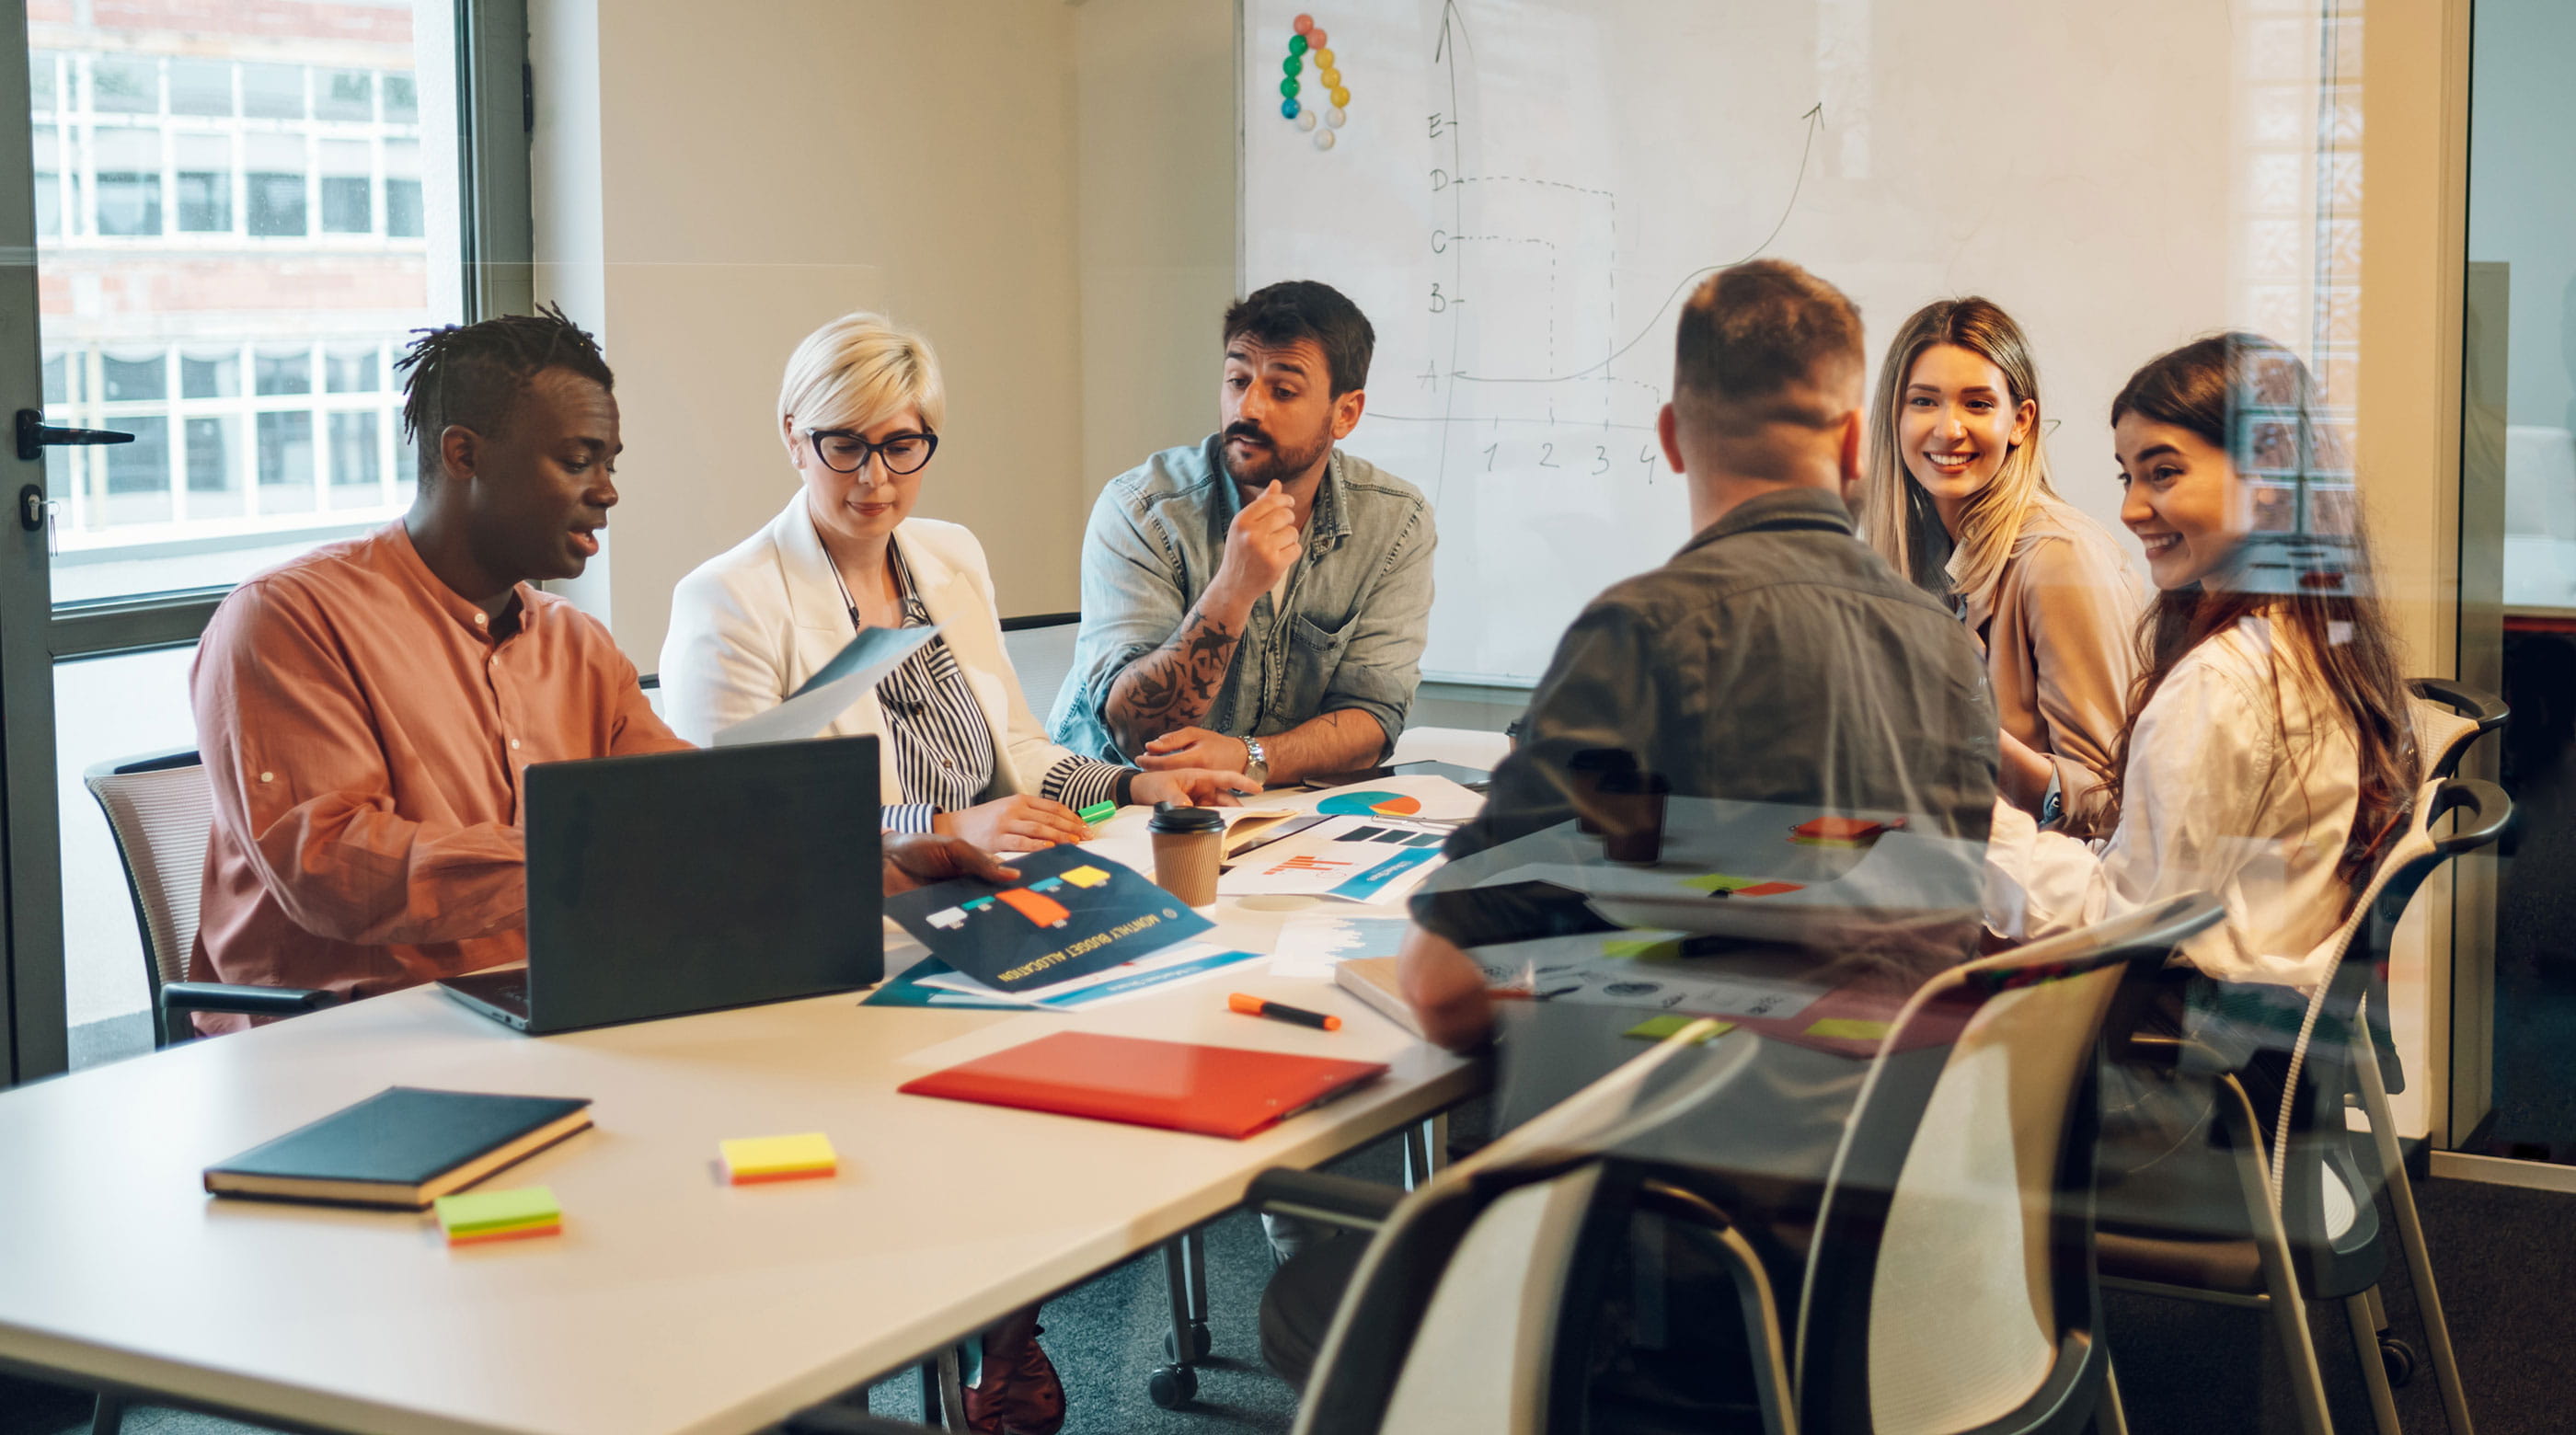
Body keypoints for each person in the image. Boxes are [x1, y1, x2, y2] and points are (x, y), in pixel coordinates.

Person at [1257, 260, 2001, 1394]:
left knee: (1312, 1290)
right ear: (1857, 444)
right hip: (1886, 1245)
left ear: (1668, 435)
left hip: (1670, 1262)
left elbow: (1445, 992)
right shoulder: (1945, 645)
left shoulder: (1645, 635)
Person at [188, 307, 1015, 1035]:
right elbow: (335, 873)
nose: (609, 493)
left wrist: (887, 857)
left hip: (557, 1005)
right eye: (579, 460)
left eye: (611, 462)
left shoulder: (575, 645)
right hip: (344, 1039)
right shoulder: (288, 620)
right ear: (465, 454)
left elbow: (706, 813)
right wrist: (620, 854)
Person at [659, 312, 1253, 849]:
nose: (876, 477)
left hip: (997, 881)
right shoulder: (728, 601)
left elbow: (1018, 752)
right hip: (865, 918)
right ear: (794, 438)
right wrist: (944, 829)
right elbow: (743, 822)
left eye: (900, 445)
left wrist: (1132, 786)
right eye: (845, 445)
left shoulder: (952, 554)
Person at [1982, 332, 2417, 986]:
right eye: (2128, 476)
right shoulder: (2315, 636)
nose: (2130, 510)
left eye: (2164, 473)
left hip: (2179, 1043)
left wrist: (1975, 828)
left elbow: (2128, 922)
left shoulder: (2220, 684)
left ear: (2266, 479)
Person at [1048, 280, 1435, 786]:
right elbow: (1135, 729)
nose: (1248, 408)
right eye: (1237, 380)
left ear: (1346, 413)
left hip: (1277, 810)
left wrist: (1247, 757)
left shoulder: (1394, 521)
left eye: (1283, 390)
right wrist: (1232, 590)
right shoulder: (1141, 509)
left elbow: (1373, 718)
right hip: (1116, 805)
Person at [1859, 297, 2145, 833]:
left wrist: (1973, 734)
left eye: (1977, 404)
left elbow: (2117, 809)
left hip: (2038, 905)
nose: (1948, 429)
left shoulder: (2060, 557)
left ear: (2020, 421)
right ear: (1894, 418)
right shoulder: (1909, 558)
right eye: (1924, 401)